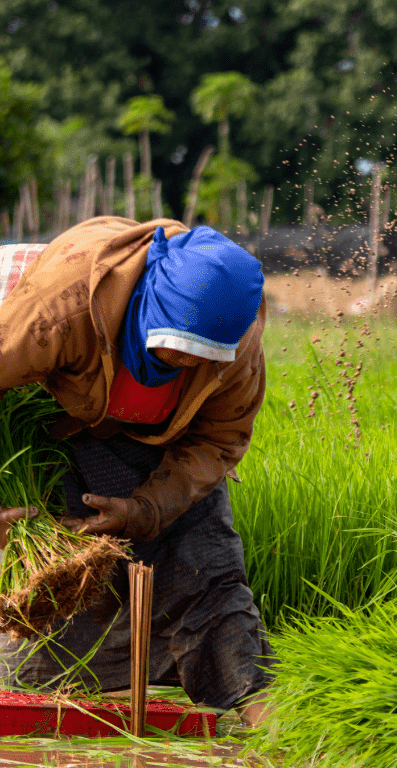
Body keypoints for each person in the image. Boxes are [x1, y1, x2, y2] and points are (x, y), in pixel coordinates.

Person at [0, 216, 273, 722]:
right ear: (148, 302)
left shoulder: (237, 348)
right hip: (44, 407)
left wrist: (143, 508)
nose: (176, 360)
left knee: (205, 568)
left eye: (197, 355)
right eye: (168, 342)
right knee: (54, 601)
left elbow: (218, 439)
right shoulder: (58, 309)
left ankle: (264, 711)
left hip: (157, 438)